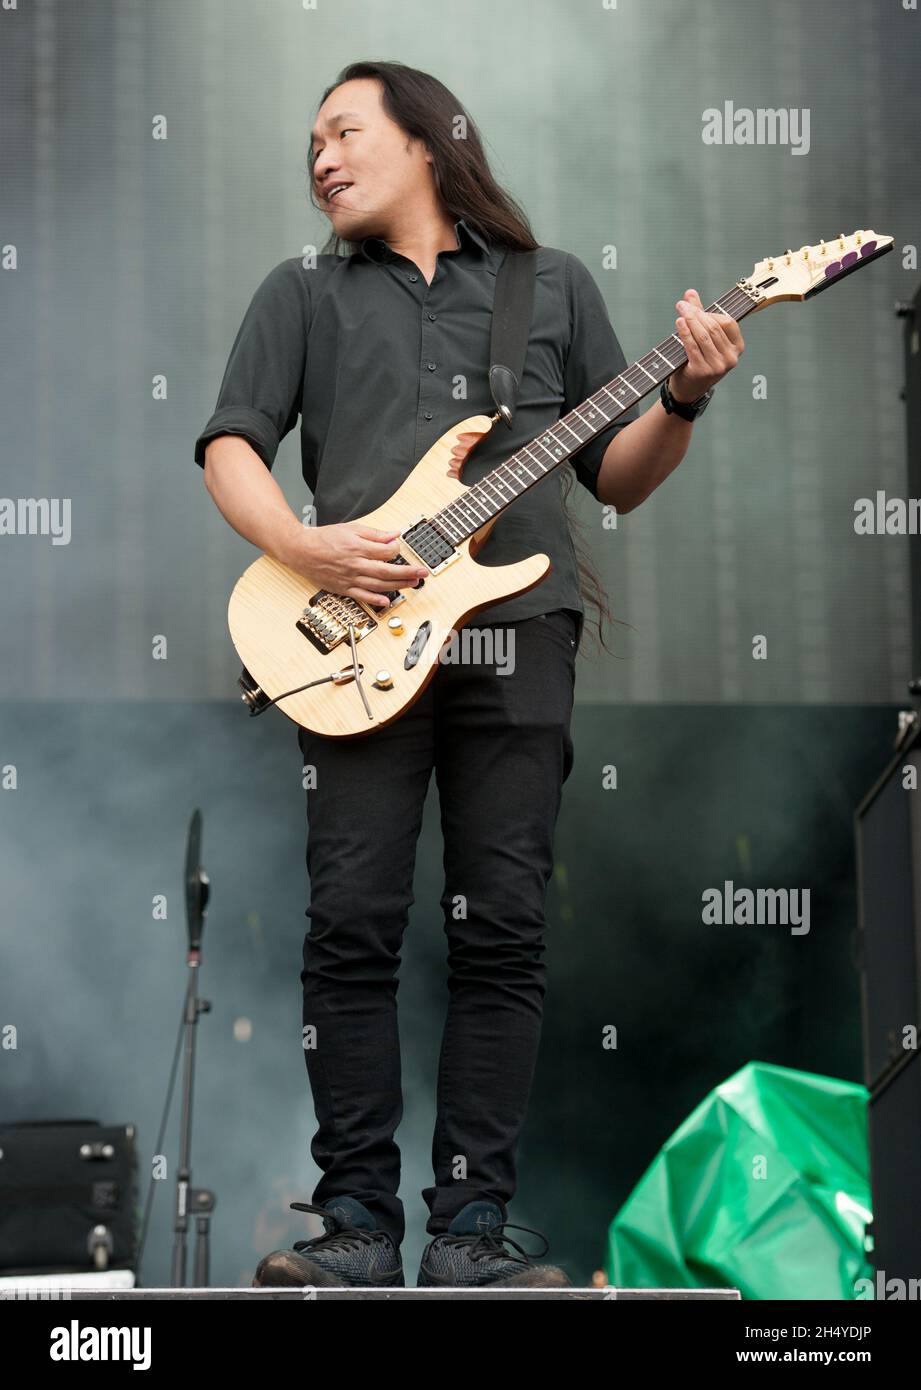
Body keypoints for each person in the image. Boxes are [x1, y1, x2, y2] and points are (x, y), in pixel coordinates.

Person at [194, 60, 744, 1290]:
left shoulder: (553, 290)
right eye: (310, 144)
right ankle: (356, 1228)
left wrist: (690, 396)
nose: (321, 158)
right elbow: (231, 442)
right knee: (352, 926)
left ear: (429, 145)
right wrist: (301, 540)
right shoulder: (300, 292)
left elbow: (617, 476)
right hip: (353, 640)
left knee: (502, 929)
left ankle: (470, 1234)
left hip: (515, 628)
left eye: (344, 132)